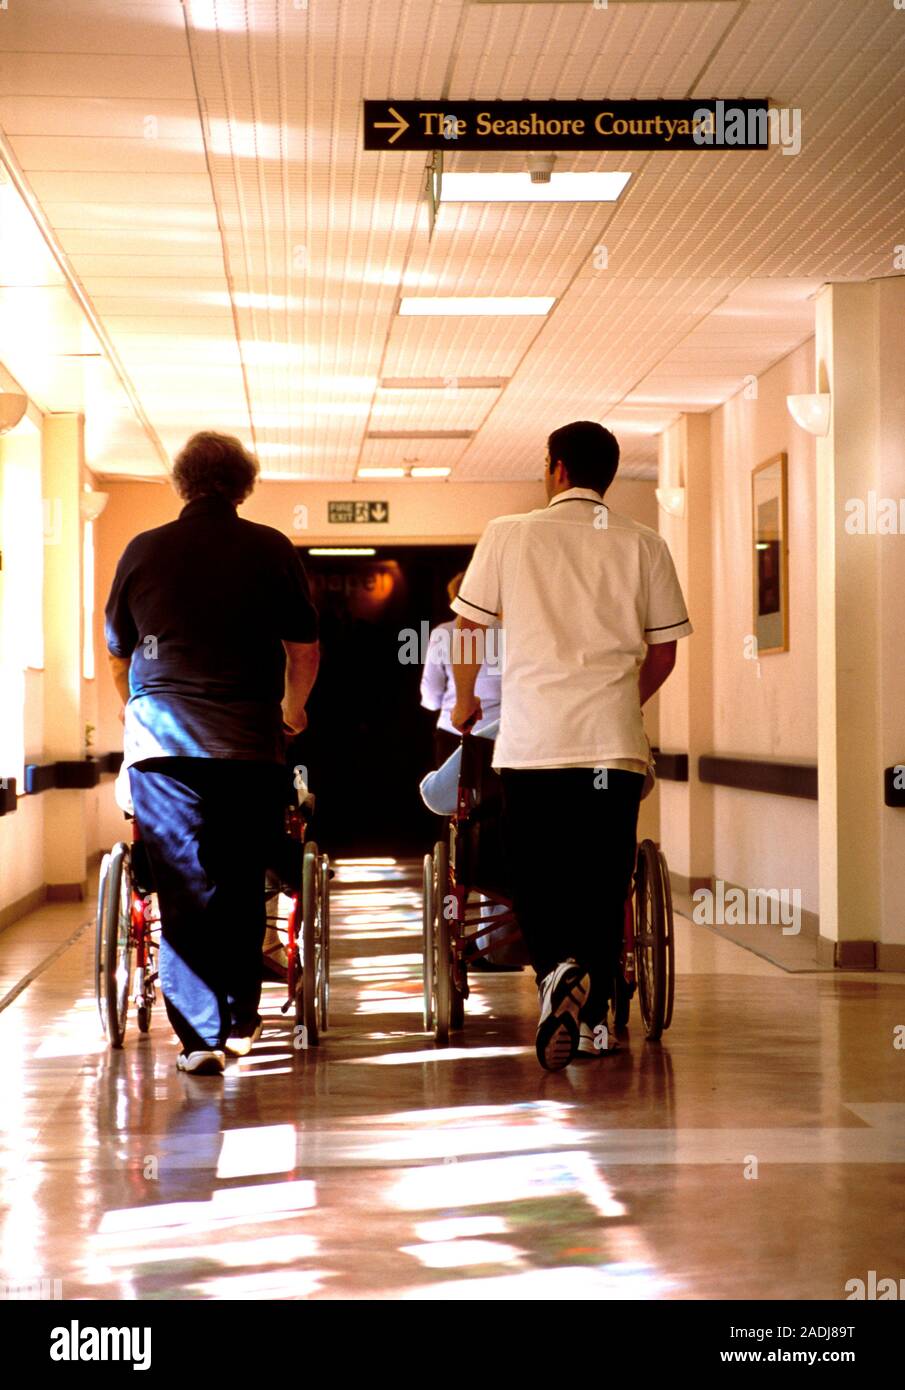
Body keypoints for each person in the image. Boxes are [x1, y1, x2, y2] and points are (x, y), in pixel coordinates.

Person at [449, 420, 691, 1071]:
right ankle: (594, 1022)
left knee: (538, 875)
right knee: (602, 878)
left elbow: (467, 624)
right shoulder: (644, 543)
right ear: (606, 475)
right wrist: (621, 700)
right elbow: (663, 651)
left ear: (555, 468)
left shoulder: (509, 533)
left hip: (532, 745)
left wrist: (463, 700)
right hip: (610, 747)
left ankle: (557, 974)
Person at [104, 431, 319, 1075]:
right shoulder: (270, 548)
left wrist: (136, 709)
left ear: (182, 483)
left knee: (183, 882)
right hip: (248, 744)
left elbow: (120, 651)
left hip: (163, 748)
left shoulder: (143, 549)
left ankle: (198, 1039)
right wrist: (291, 712)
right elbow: (303, 651)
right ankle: (239, 1019)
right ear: (243, 485)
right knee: (240, 877)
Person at [420, 570, 501, 767]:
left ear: (455, 600)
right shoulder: (511, 632)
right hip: (501, 732)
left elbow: (431, 694)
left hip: (454, 731)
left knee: (452, 797)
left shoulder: (443, 633)